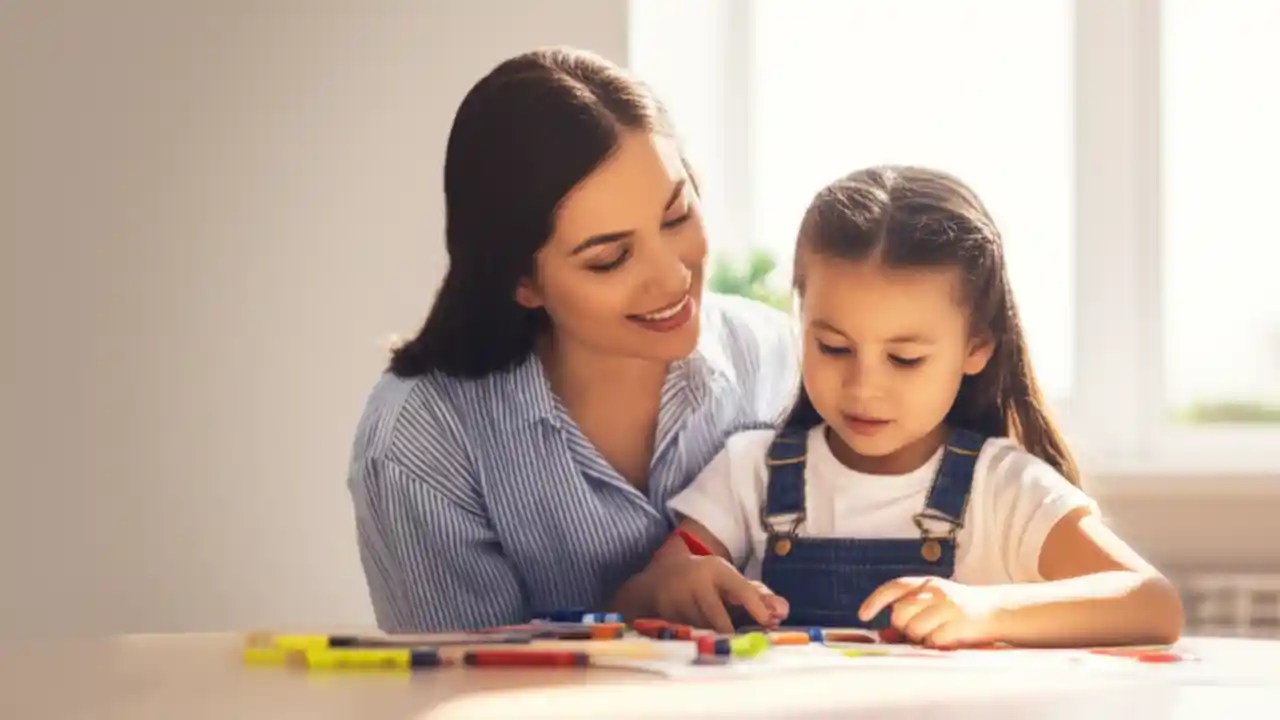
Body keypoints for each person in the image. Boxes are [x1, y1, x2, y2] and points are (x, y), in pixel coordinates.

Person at [612, 166, 1184, 648]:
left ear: (976, 348)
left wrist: (987, 612)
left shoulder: (1002, 486)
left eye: (905, 358)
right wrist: (674, 586)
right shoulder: (750, 472)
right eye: (832, 347)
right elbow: (639, 593)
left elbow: (1152, 604)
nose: (864, 387)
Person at [347, 47, 798, 631]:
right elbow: (461, 690)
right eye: (611, 258)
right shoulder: (420, 441)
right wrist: (633, 614)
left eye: (676, 215)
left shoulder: (777, 359)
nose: (672, 276)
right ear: (523, 282)